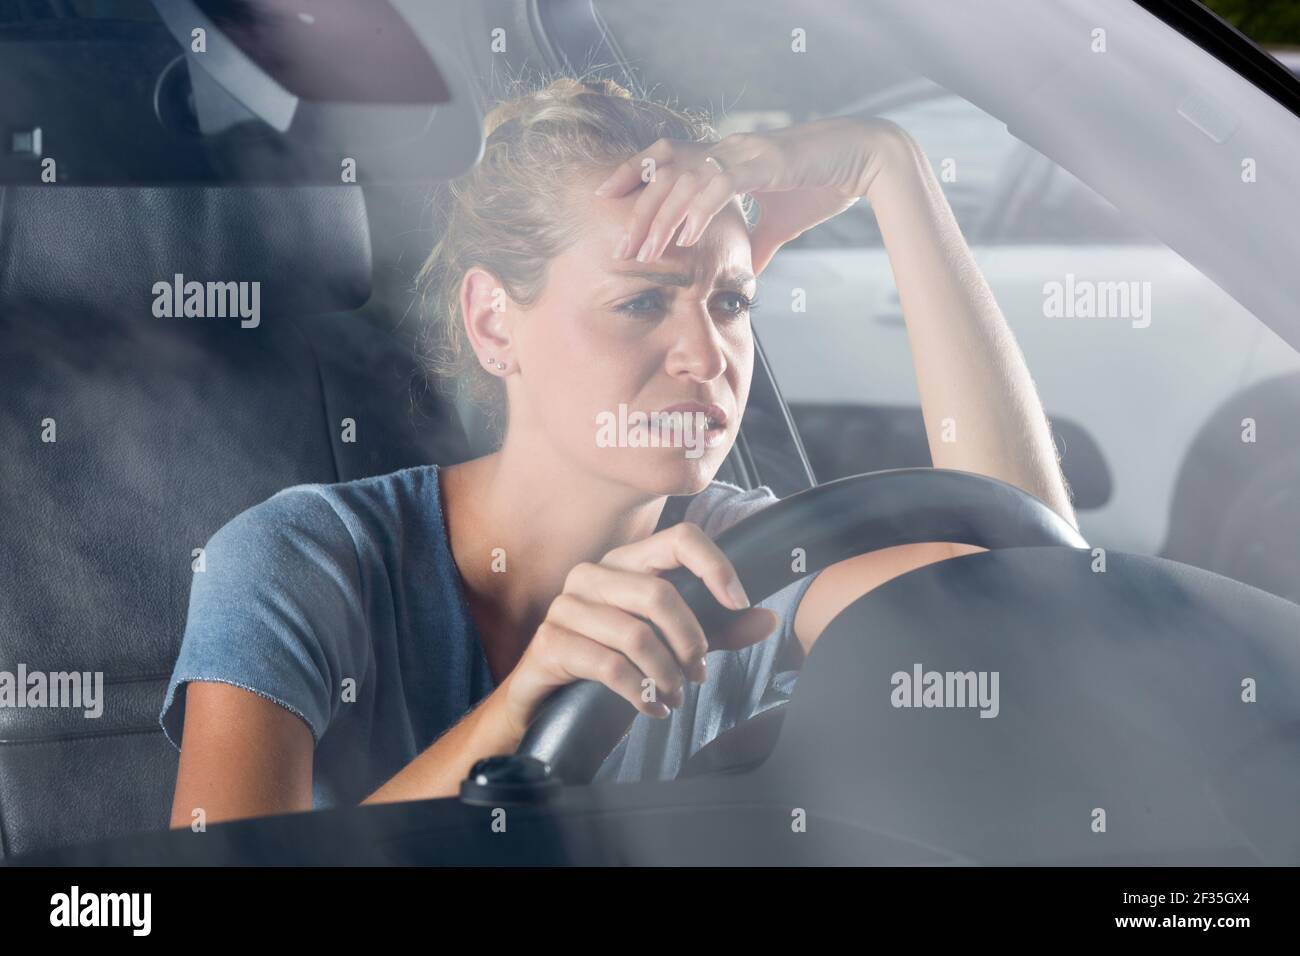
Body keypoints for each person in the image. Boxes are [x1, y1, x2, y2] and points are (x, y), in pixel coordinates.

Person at [160, 76, 1075, 826]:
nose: (707, 356)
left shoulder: (749, 564)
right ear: (492, 322)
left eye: (730, 302)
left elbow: (1045, 619)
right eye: (641, 301)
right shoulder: (298, 560)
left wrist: (894, 168)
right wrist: (520, 707)